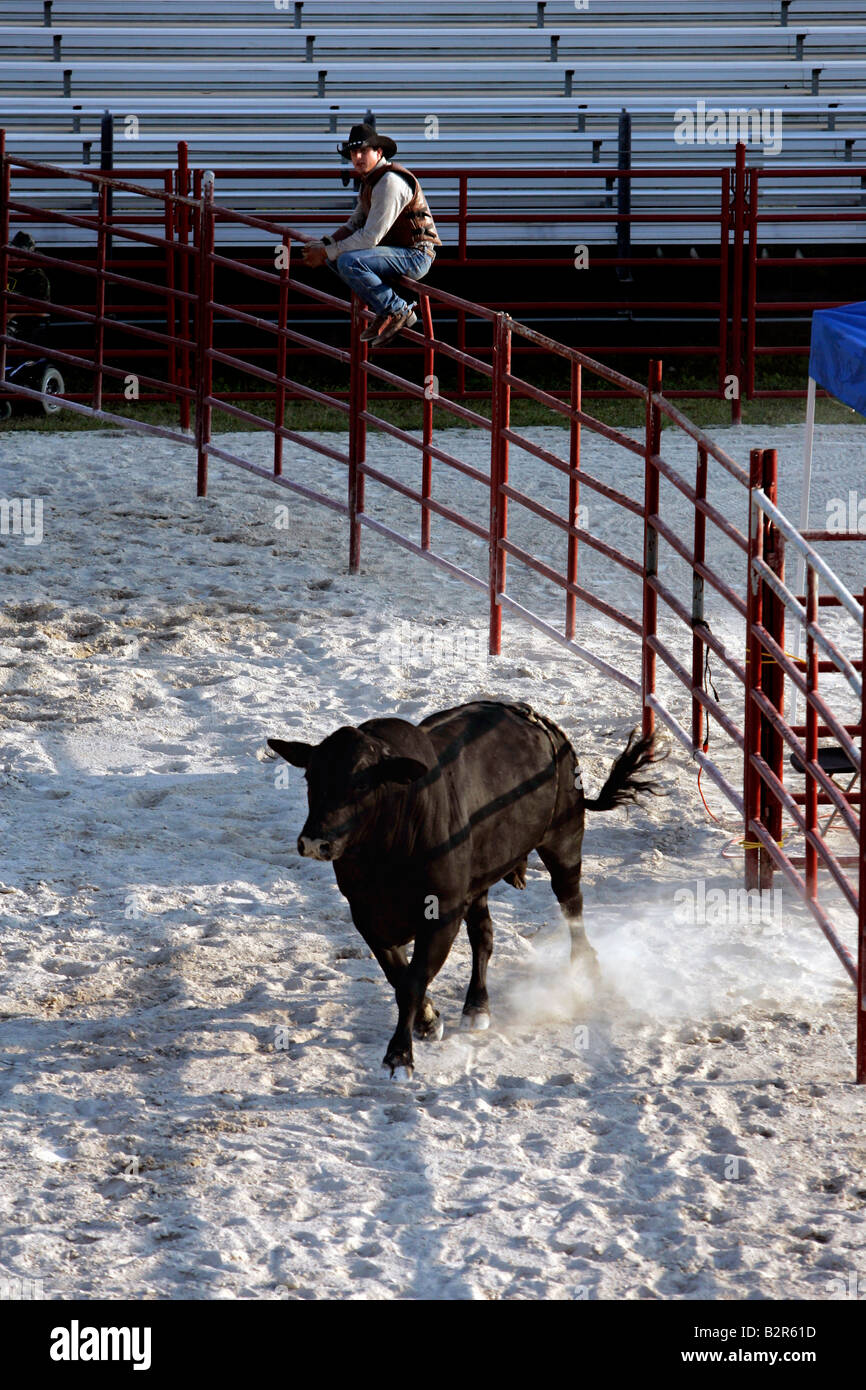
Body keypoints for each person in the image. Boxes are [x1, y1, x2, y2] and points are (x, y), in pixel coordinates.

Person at [302, 123, 441, 347]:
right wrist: (325, 243)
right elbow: (355, 222)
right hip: (398, 251)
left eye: (363, 151)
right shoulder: (371, 180)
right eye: (353, 153)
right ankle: (386, 309)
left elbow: (370, 237)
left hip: (416, 255)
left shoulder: (389, 183)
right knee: (336, 257)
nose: (357, 157)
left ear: (378, 152)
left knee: (347, 261)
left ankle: (397, 310)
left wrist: (327, 250)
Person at [6, 230, 51, 341]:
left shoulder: (37, 277)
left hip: (22, 325)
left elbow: (44, 311)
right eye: (11, 254)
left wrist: (14, 313)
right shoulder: (2, 268)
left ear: (29, 258)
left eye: (19, 256)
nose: (14, 259)